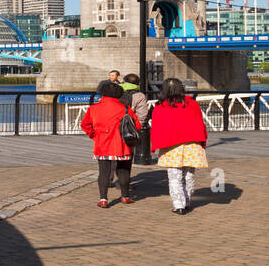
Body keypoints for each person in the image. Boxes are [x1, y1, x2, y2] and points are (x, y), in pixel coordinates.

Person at [148, 77, 208, 214]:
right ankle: (187, 201)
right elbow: (200, 124)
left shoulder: (160, 107)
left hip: (171, 146)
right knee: (189, 175)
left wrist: (155, 146)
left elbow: (157, 128)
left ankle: (179, 204)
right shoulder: (192, 104)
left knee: (175, 177)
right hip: (192, 144)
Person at [80, 80, 140, 207]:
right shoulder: (125, 108)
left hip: (102, 143)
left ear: (102, 93)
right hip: (123, 144)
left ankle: (103, 199)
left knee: (104, 172)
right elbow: (137, 125)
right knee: (124, 170)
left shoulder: (94, 108)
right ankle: (125, 196)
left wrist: (94, 135)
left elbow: (85, 125)